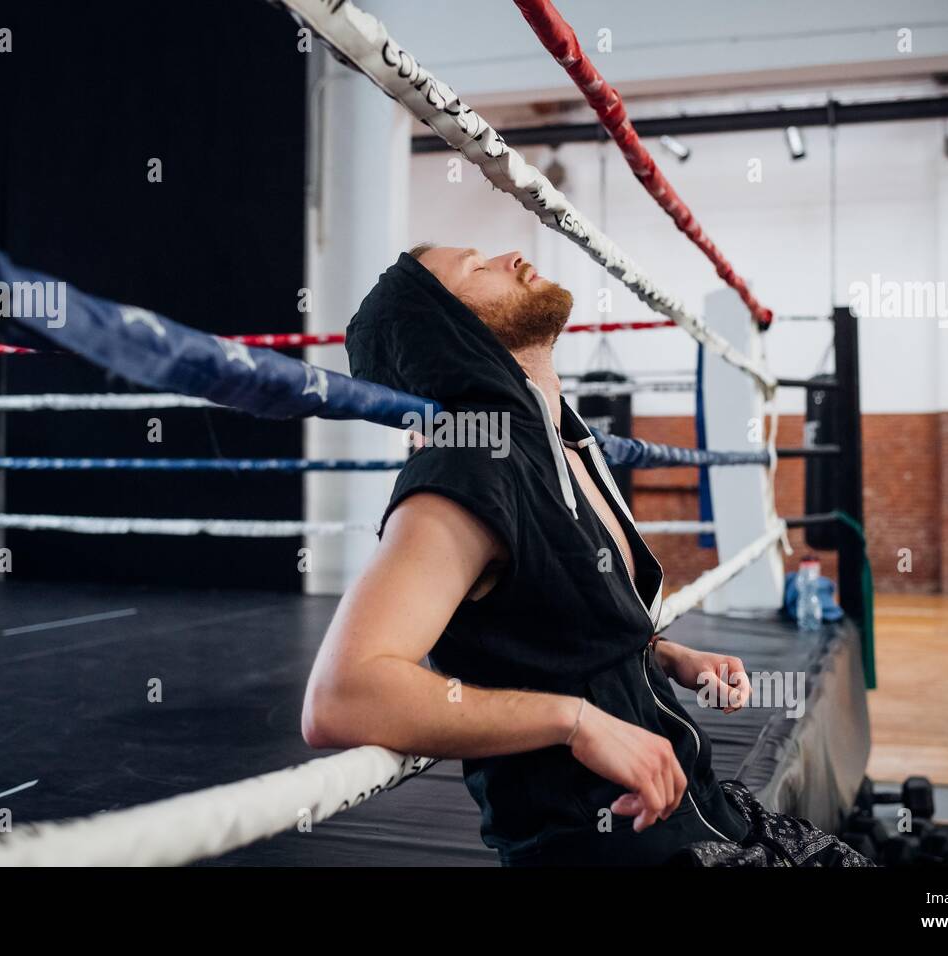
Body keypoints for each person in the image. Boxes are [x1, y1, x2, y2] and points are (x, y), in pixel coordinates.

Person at [302, 244, 873, 867]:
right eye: (475, 268)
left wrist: (655, 655)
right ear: (445, 328)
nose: (510, 255)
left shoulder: (566, 445)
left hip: (707, 812)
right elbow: (341, 695)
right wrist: (574, 720)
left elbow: (546, 620)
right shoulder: (469, 466)